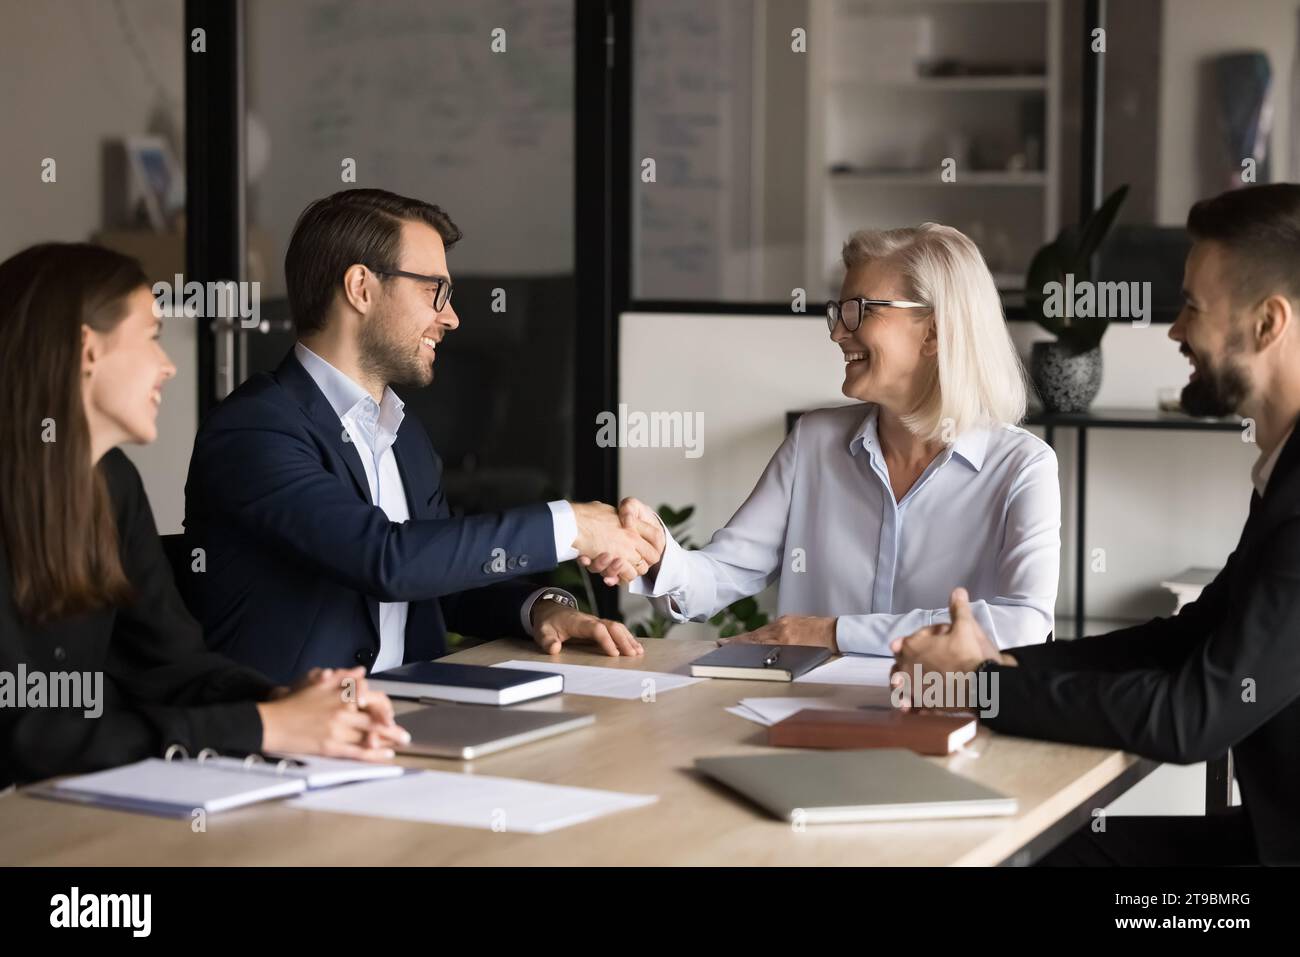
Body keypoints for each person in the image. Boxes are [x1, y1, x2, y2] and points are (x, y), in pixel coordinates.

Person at [891, 183, 1300, 866]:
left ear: (1267, 324)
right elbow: (1188, 641)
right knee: (1029, 847)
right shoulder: (1285, 475)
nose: (1175, 330)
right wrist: (999, 664)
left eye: (1193, 306)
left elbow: (1193, 715)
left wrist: (977, 687)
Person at [183, 189, 659, 684]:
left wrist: (542, 609)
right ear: (361, 288)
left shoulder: (403, 433)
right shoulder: (255, 429)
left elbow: (439, 580)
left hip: (413, 715)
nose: (450, 317)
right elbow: (384, 559)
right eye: (435, 290)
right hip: (289, 740)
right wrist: (570, 525)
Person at [0, 243, 407, 788]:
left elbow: (172, 661)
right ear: (86, 350)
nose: (167, 366)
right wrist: (261, 726)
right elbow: (22, 739)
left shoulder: (111, 480)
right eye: (150, 337)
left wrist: (292, 704)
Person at [595, 224, 1060, 655]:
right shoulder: (814, 441)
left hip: (942, 721)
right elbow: (726, 571)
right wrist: (661, 559)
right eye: (838, 312)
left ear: (933, 332)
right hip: (804, 714)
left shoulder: (1022, 468)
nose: (838, 332)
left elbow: (1023, 622)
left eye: (859, 311)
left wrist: (832, 633)